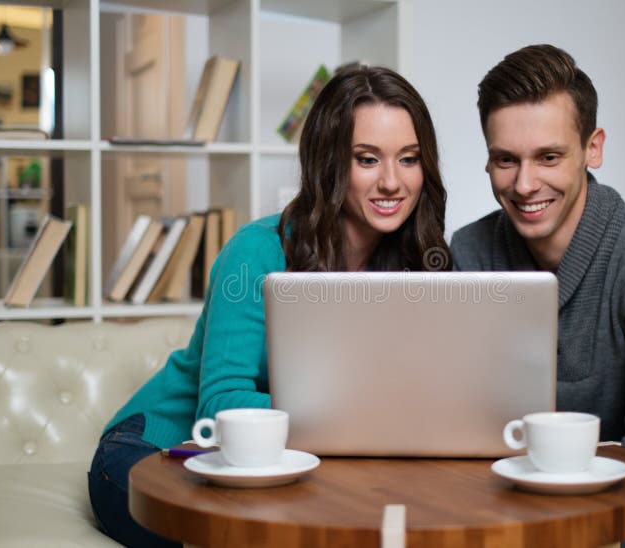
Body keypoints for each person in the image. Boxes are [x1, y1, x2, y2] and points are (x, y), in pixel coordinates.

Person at [88, 64, 451, 547]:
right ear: (330, 163)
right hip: (157, 450)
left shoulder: (413, 264)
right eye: (367, 159)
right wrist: (366, 414)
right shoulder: (256, 252)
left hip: (279, 463)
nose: (392, 181)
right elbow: (220, 403)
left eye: (409, 159)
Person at [450, 44, 625, 548]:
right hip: (504, 488)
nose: (525, 185)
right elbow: (461, 417)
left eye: (548, 157)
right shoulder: (470, 250)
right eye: (506, 160)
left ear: (594, 148)